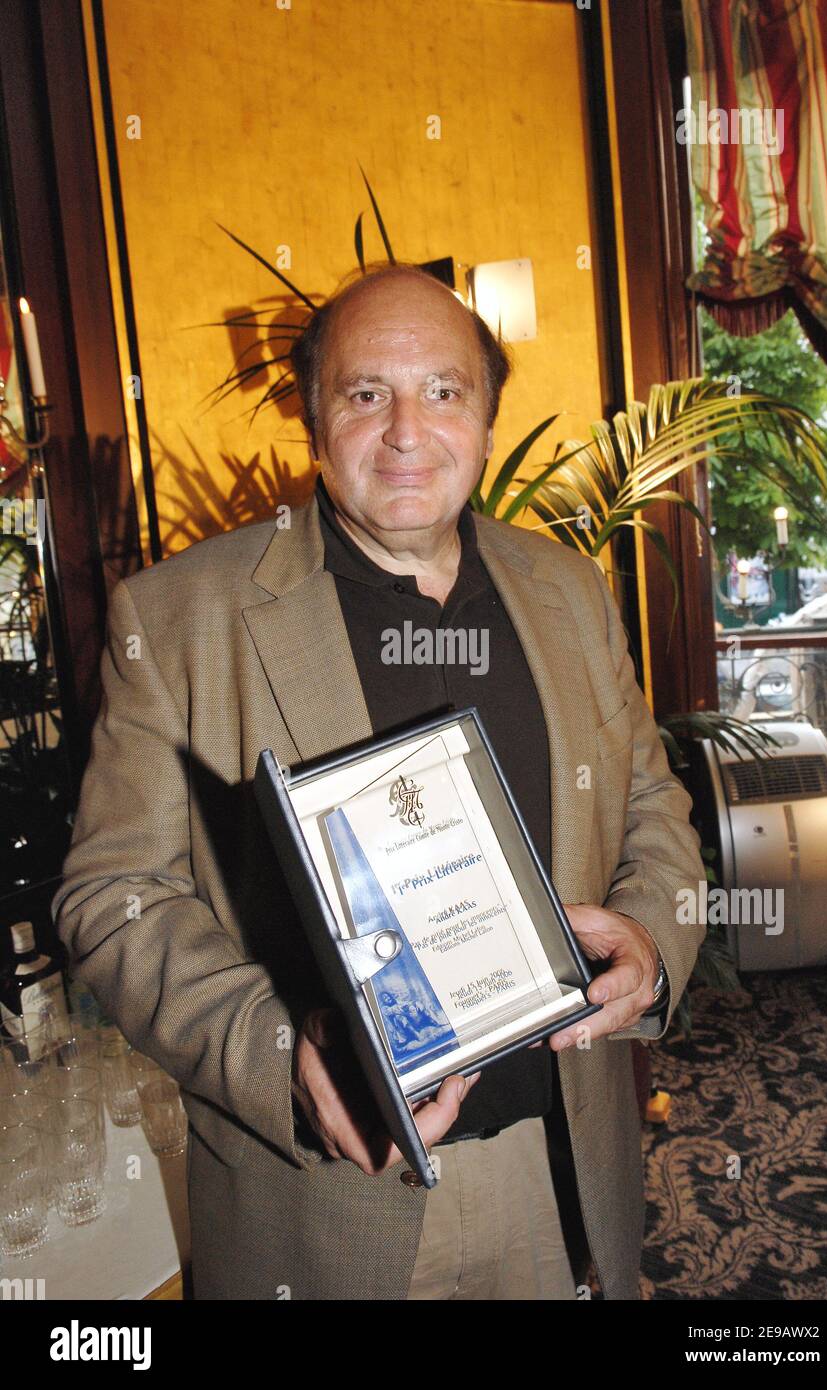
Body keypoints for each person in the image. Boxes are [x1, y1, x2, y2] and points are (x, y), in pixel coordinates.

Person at [53, 262, 706, 1300]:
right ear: (314, 420)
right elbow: (110, 895)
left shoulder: (572, 593)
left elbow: (652, 809)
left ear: (488, 417)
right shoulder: (176, 620)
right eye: (366, 394)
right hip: (318, 1209)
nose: (407, 431)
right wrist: (276, 1049)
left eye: (444, 390)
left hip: (557, 1174)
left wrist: (652, 942)